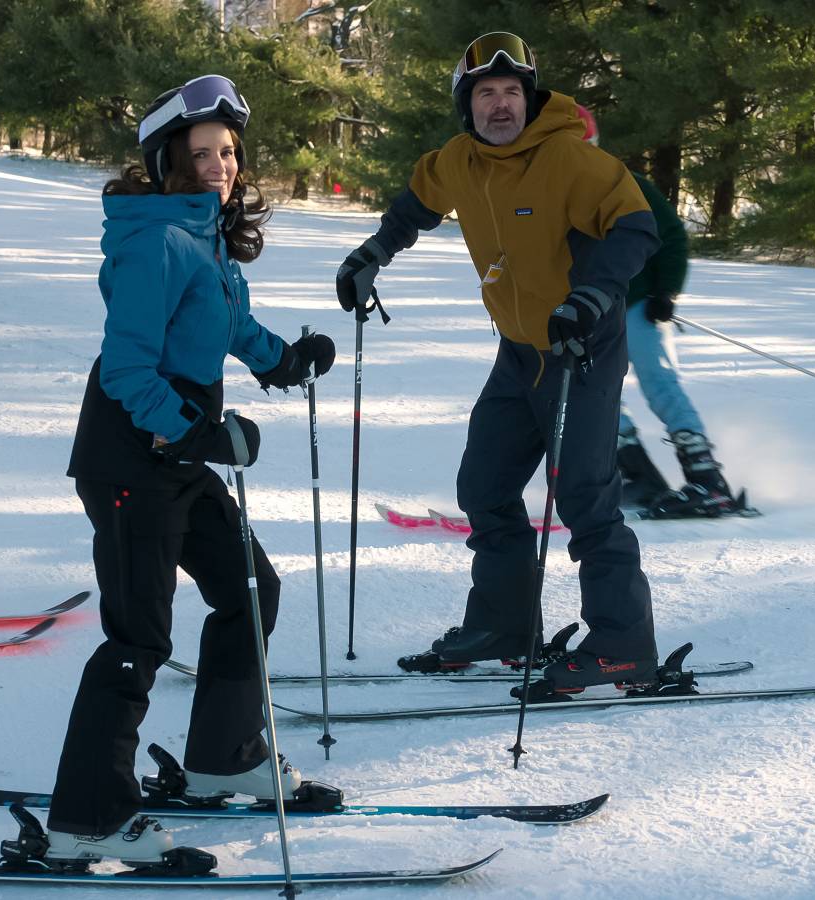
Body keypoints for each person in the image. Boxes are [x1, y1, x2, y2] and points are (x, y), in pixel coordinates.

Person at [45, 74, 335, 865]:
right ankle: (89, 817)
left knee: (250, 588)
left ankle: (222, 758)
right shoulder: (154, 240)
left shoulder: (200, 233)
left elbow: (230, 321)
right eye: (203, 151)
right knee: (138, 635)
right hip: (131, 455)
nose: (221, 164)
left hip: (173, 453)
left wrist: (284, 362)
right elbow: (127, 371)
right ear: (168, 157)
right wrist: (196, 433)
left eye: (230, 150)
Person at [336, 32, 662, 690]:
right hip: (520, 351)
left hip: (581, 348)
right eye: (486, 93)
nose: (502, 105)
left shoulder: (569, 160)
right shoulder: (458, 161)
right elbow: (416, 205)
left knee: (585, 499)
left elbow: (635, 226)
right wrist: (373, 255)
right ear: (468, 105)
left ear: (530, 98)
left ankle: (624, 644)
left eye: (512, 92)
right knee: (484, 486)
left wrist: (594, 295)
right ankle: (507, 624)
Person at [571, 104, 750, 519]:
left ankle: (707, 481)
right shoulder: (554, 194)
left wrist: (666, 291)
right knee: (595, 391)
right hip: (591, 309)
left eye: (583, 150)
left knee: (659, 383)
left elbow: (670, 235)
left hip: (639, 304)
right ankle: (636, 475)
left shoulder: (626, 183)